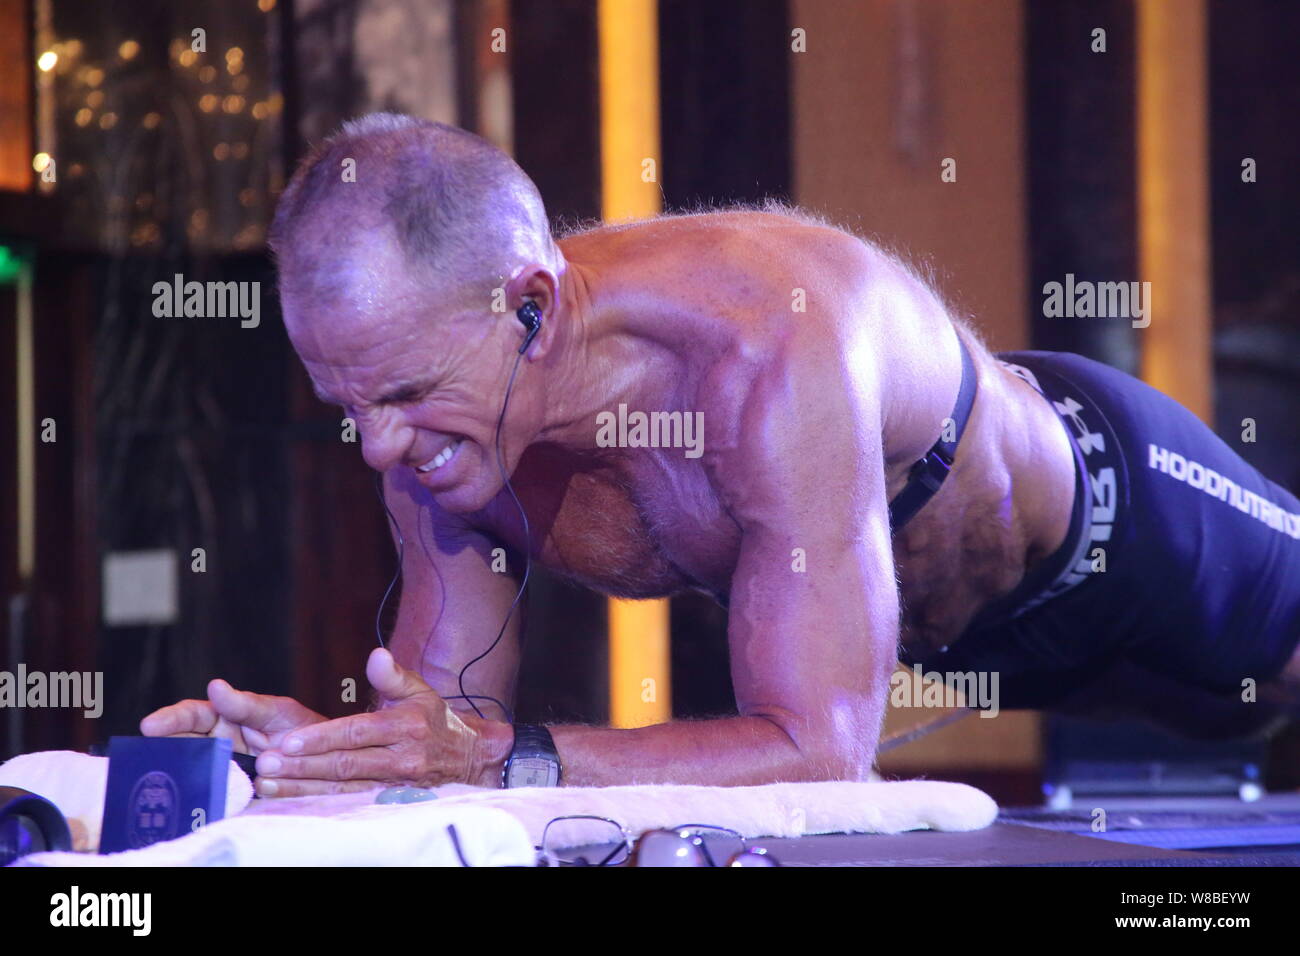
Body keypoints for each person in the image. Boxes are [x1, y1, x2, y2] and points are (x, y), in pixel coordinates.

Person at [142, 114, 1300, 794]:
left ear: (533, 308)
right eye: (348, 403)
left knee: (1262, 697)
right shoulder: (436, 427)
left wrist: (507, 758)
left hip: (1117, 532)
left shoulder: (762, 346)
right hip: (964, 648)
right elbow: (445, 738)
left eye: (402, 396)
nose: (377, 447)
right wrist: (311, 760)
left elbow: (819, 752)